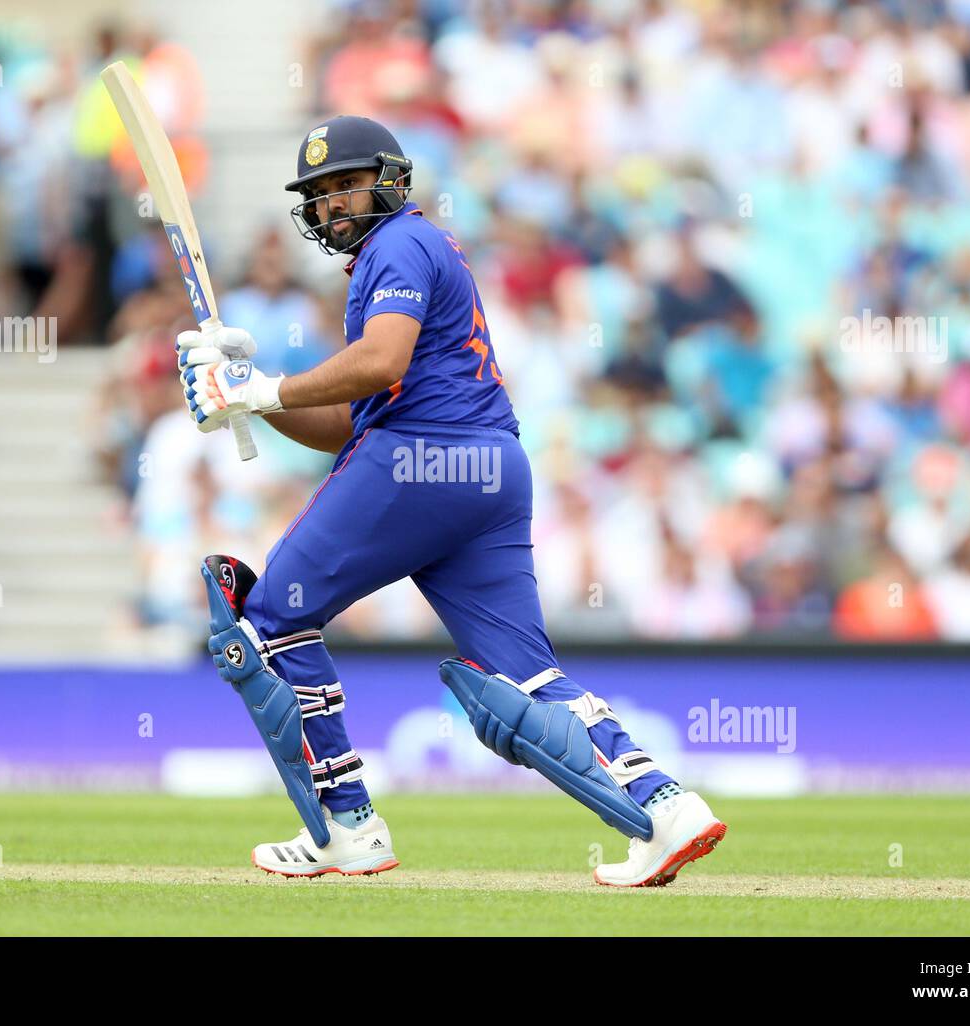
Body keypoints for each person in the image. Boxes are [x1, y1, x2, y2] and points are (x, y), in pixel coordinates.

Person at [178, 116, 726, 887]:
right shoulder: (406, 251)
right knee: (525, 676)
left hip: (421, 459)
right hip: (488, 469)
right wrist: (252, 400)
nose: (334, 204)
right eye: (321, 194)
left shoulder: (399, 244)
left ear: (390, 181)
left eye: (346, 184)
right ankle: (666, 806)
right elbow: (345, 420)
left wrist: (262, 385)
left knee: (268, 622)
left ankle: (349, 826)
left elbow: (381, 361)